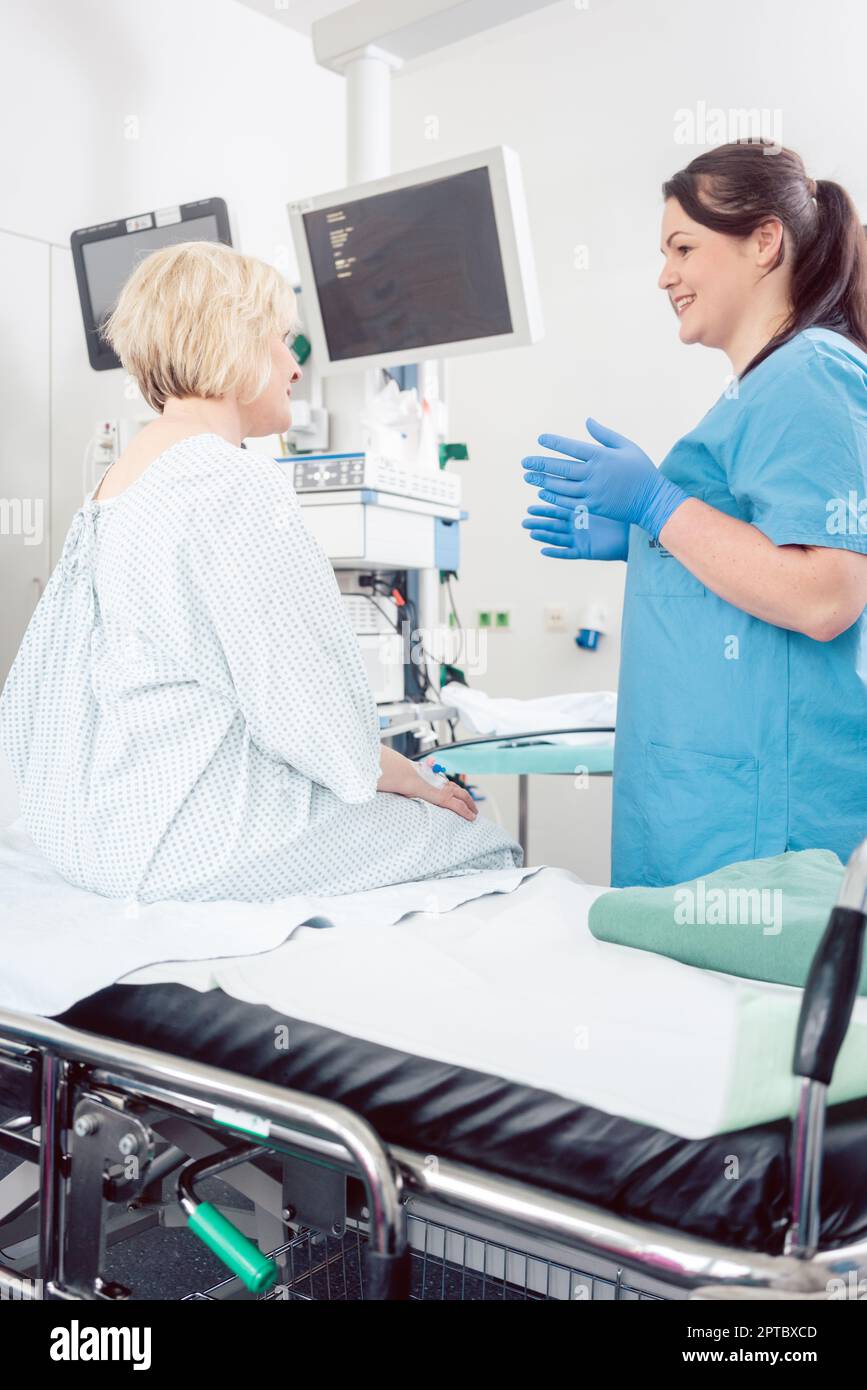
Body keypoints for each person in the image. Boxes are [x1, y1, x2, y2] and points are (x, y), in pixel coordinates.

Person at [0, 241, 520, 901]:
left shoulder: (116, 483)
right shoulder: (230, 478)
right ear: (235, 343)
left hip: (94, 831)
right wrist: (410, 778)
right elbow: (308, 710)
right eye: (280, 339)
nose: (292, 364)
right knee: (482, 841)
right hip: (185, 845)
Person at [522, 140, 867, 887]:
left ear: (764, 241)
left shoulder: (811, 371)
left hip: (766, 811)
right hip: (710, 796)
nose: (664, 275)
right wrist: (649, 543)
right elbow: (755, 561)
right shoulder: (766, 385)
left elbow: (826, 595)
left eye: (682, 247)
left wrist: (657, 504)